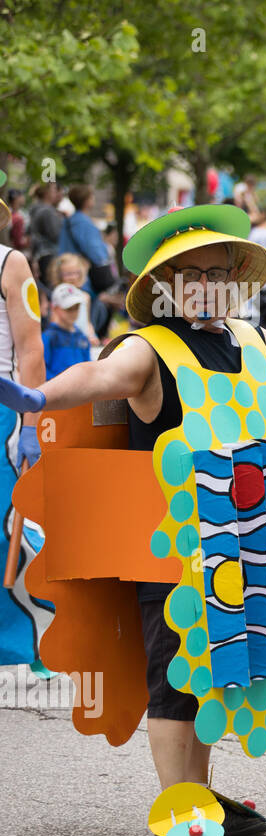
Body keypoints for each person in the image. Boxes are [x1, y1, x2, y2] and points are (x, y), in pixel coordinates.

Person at [0, 204, 266, 836]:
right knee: (175, 676)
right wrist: (39, 399)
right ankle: (177, 806)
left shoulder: (247, 338)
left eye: (224, 270)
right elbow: (97, 377)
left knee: (217, 674)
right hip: (165, 548)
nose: (216, 281)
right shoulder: (146, 349)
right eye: (200, 272)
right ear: (168, 286)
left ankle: (202, 793)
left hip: (240, 544)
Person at [0, 175, 50, 669]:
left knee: (7, 522)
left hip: (3, 408)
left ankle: (39, 639)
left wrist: (31, 423)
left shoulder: (10, 262)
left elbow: (31, 347)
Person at [42, 284, 93, 377]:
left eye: (76, 308)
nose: (73, 313)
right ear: (55, 308)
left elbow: (89, 367)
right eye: (68, 309)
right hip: (56, 388)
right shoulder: (48, 337)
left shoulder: (82, 338)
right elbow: (42, 369)